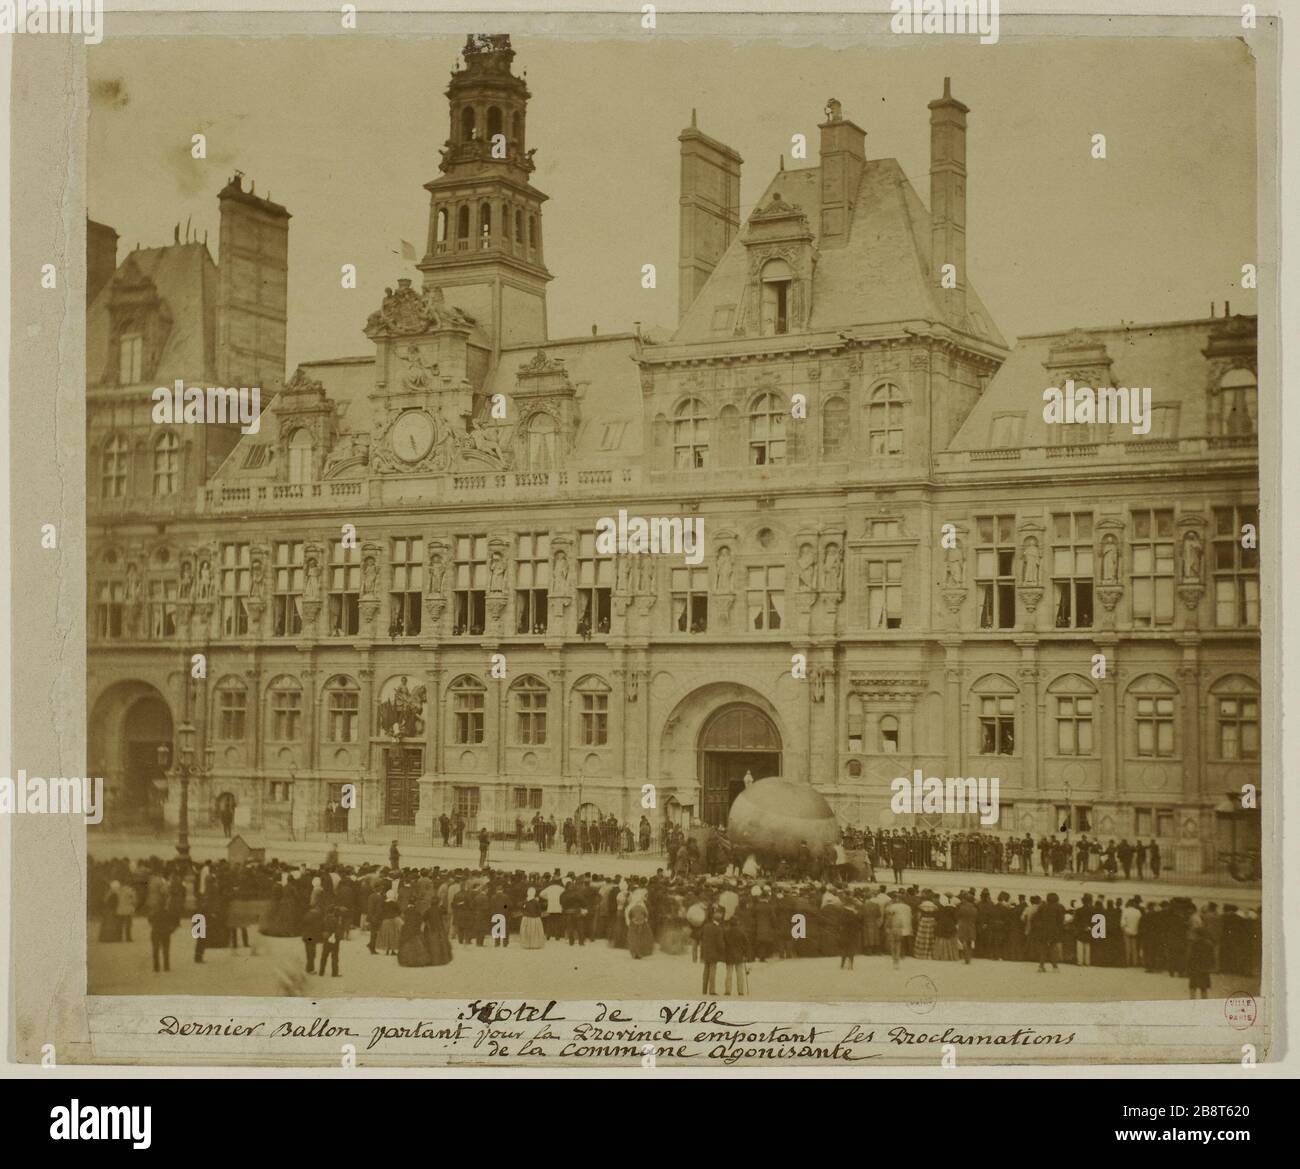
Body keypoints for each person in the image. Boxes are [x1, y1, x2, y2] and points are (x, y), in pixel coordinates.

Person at [148, 883, 179, 973]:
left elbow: (150, 919)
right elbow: (174, 920)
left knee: (155, 949)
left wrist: (153, 924)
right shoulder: (168, 911)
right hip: (165, 931)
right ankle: (166, 966)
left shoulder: (154, 910)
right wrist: (172, 929)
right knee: (166, 950)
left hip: (156, 931)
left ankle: (156, 966)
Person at [1030, 891, 1064, 972]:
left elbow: (1034, 918)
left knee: (1043, 949)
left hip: (1043, 931)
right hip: (1054, 931)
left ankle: (1041, 966)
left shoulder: (1042, 907)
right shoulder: (1059, 907)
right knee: (1053, 949)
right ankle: (1055, 967)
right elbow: (1061, 920)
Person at [699, 906, 725, 996]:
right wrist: (723, 951)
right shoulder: (718, 928)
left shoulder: (706, 926)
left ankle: (704, 989)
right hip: (714, 953)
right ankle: (712, 990)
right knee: (712, 972)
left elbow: (701, 938)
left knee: (706, 971)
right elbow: (720, 943)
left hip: (706, 952)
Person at [723, 910, 750, 995]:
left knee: (729, 974)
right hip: (739, 954)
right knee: (740, 974)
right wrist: (745, 954)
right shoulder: (741, 932)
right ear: (737, 923)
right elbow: (746, 944)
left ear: (730, 923)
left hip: (729, 955)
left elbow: (724, 943)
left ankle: (728, 990)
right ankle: (740, 991)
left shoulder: (726, 932)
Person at [884, 893, 913, 969]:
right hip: (903, 926)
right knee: (900, 943)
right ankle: (902, 954)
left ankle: (895, 958)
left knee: (893, 944)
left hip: (894, 929)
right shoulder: (908, 907)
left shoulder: (893, 907)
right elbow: (910, 916)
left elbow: (887, 913)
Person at [1186, 926, 1214, 1000]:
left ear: (1197, 935)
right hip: (1204, 969)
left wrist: (1188, 967)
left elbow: (1190, 957)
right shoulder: (1209, 944)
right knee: (1204, 989)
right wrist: (1211, 966)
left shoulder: (1194, 944)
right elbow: (1212, 957)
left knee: (1193, 988)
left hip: (1194, 968)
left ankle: (1192, 1002)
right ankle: (1204, 1003)